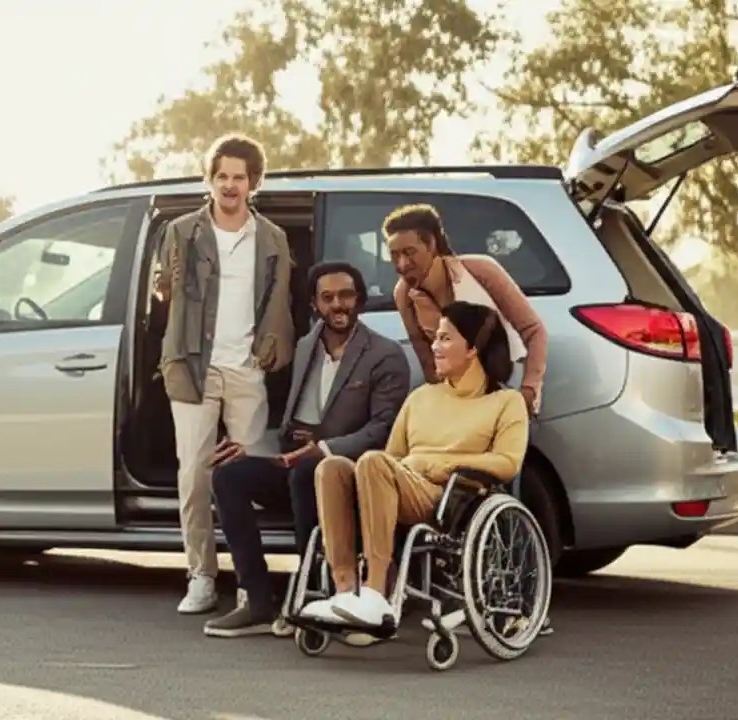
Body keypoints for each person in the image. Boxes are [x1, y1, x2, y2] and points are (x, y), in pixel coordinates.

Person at [202, 262, 410, 637]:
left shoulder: (385, 354)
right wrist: (250, 448)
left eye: (346, 295)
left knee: (307, 473)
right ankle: (257, 601)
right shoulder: (304, 347)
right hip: (296, 460)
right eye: (327, 297)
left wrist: (324, 449)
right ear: (315, 304)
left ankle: (313, 593)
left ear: (360, 300)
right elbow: (287, 426)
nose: (338, 305)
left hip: (347, 472)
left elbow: (384, 428)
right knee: (229, 475)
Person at [298, 301, 529, 627]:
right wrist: (406, 466)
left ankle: (376, 591)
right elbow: (392, 457)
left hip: (448, 497)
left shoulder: (506, 401)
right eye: (436, 338)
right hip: (401, 482)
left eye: (445, 339)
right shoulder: (421, 397)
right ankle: (345, 590)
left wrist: (440, 464)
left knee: (374, 462)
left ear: (472, 349)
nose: (434, 346)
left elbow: (508, 462)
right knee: (332, 468)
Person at [157, 133, 296, 615]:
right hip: (193, 367)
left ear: (254, 183)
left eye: (239, 177)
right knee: (194, 476)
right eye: (222, 176)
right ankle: (200, 575)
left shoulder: (272, 238)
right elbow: (165, 292)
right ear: (210, 180)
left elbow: (279, 302)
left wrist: (268, 351)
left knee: (248, 476)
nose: (230, 185)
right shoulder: (181, 232)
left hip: (246, 369)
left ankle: (248, 583)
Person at [385, 203, 547, 416]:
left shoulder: (480, 271)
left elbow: (533, 330)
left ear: (432, 244)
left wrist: (529, 389)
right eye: (394, 255)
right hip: (460, 398)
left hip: (507, 381)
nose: (402, 264)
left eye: (409, 252)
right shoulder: (404, 294)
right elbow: (427, 360)